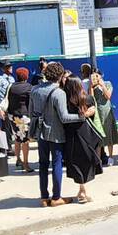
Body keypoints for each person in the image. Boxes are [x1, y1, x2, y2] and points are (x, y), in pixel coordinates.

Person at [30, 63, 81, 208]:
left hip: (40, 133)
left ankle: (44, 197)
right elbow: (64, 117)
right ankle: (56, 197)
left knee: (43, 165)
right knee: (57, 164)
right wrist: (81, 116)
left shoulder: (35, 90)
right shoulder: (59, 93)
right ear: (60, 76)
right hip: (56, 133)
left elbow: (31, 113)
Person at [61, 74, 102, 204]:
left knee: (75, 162)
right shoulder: (86, 98)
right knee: (86, 161)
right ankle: (83, 191)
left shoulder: (65, 101)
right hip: (85, 134)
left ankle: (82, 190)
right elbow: (93, 108)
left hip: (70, 135)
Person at [85, 66, 118, 165]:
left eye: (97, 76)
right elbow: (91, 99)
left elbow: (108, 96)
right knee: (98, 135)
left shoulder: (107, 83)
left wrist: (102, 85)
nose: (96, 78)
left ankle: (111, 157)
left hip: (106, 111)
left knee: (109, 134)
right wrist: (92, 87)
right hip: (97, 112)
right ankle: (98, 160)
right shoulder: (91, 86)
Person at [6, 67, 34, 173]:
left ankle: (18, 159)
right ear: (26, 76)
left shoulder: (11, 86)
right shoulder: (29, 87)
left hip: (13, 116)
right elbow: (31, 103)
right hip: (24, 117)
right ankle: (26, 164)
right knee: (25, 141)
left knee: (17, 139)